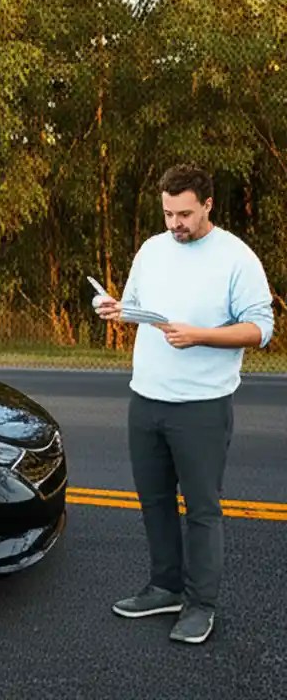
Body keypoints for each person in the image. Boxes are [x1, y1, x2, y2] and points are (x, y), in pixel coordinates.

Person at [93, 163, 275, 644]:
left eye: (185, 214)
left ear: (208, 205)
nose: (175, 223)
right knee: (154, 502)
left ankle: (200, 605)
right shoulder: (153, 250)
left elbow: (261, 329)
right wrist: (116, 310)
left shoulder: (236, 257)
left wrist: (202, 337)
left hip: (202, 406)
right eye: (169, 212)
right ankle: (165, 588)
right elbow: (134, 307)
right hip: (146, 398)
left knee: (201, 510)